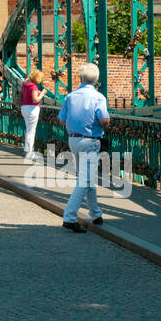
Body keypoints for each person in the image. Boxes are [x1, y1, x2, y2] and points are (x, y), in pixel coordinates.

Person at [58, 63, 111, 232]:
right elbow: (103, 120)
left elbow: (62, 120)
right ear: (96, 80)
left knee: (88, 177)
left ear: (80, 78)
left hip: (73, 140)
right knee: (85, 179)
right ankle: (69, 217)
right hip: (90, 141)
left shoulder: (70, 97)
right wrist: (108, 123)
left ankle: (96, 213)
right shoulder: (98, 97)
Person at [20, 69, 47, 161]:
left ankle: (28, 149)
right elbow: (36, 99)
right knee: (31, 131)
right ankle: (29, 152)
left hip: (24, 108)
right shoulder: (33, 86)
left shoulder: (25, 82)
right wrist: (42, 93)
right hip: (32, 109)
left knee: (28, 129)